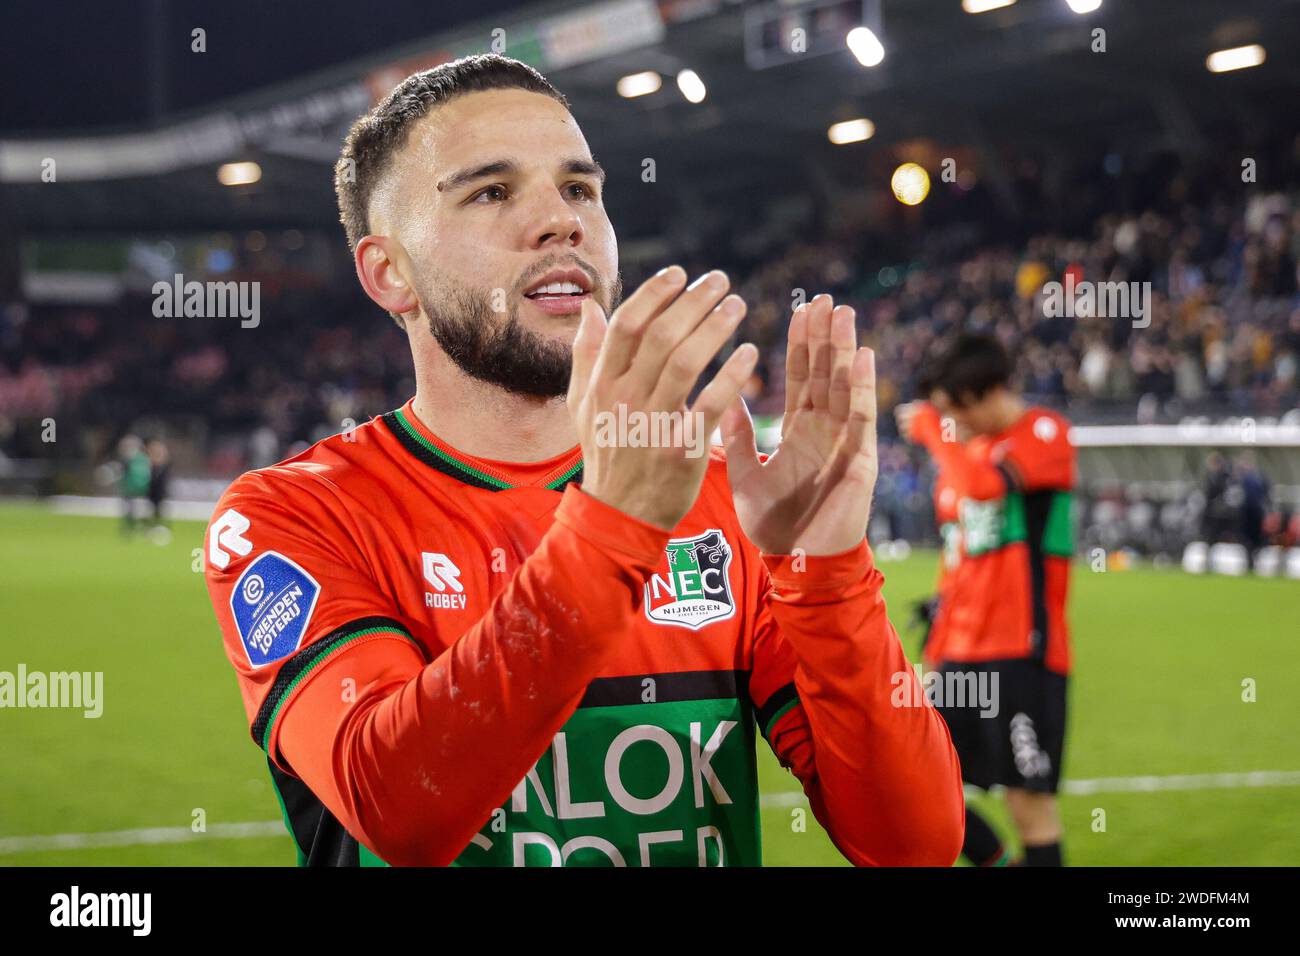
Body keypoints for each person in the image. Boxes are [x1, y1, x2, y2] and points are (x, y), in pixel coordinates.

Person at [203, 54, 962, 867]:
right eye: (491, 192)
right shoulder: (293, 516)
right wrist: (613, 532)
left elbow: (913, 844)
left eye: (579, 189)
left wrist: (827, 574)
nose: (560, 221)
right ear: (391, 274)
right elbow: (397, 807)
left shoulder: (722, 501)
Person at [898, 333, 1075, 867]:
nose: (958, 422)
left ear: (991, 390)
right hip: (959, 653)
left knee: (1028, 801)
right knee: (916, 778)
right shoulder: (963, 462)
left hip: (1022, 651)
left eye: (960, 409)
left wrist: (932, 431)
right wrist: (937, 639)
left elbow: (985, 487)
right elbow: (958, 561)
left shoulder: (1045, 434)